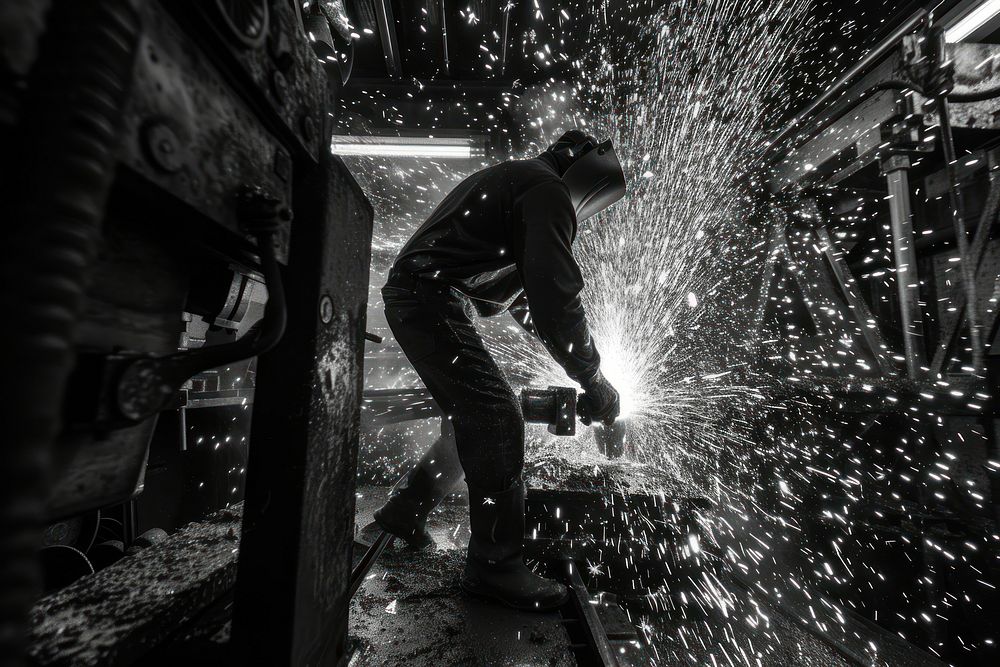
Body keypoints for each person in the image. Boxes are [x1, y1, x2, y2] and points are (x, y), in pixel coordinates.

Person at [370, 130, 626, 610]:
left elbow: (531, 302)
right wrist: (593, 377)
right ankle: (495, 565)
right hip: (428, 296)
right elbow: (555, 295)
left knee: (473, 416)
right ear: (582, 170)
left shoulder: (522, 181)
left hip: (429, 295)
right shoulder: (544, 187)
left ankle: (404, 512)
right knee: (495, 415)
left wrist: (581, 369)